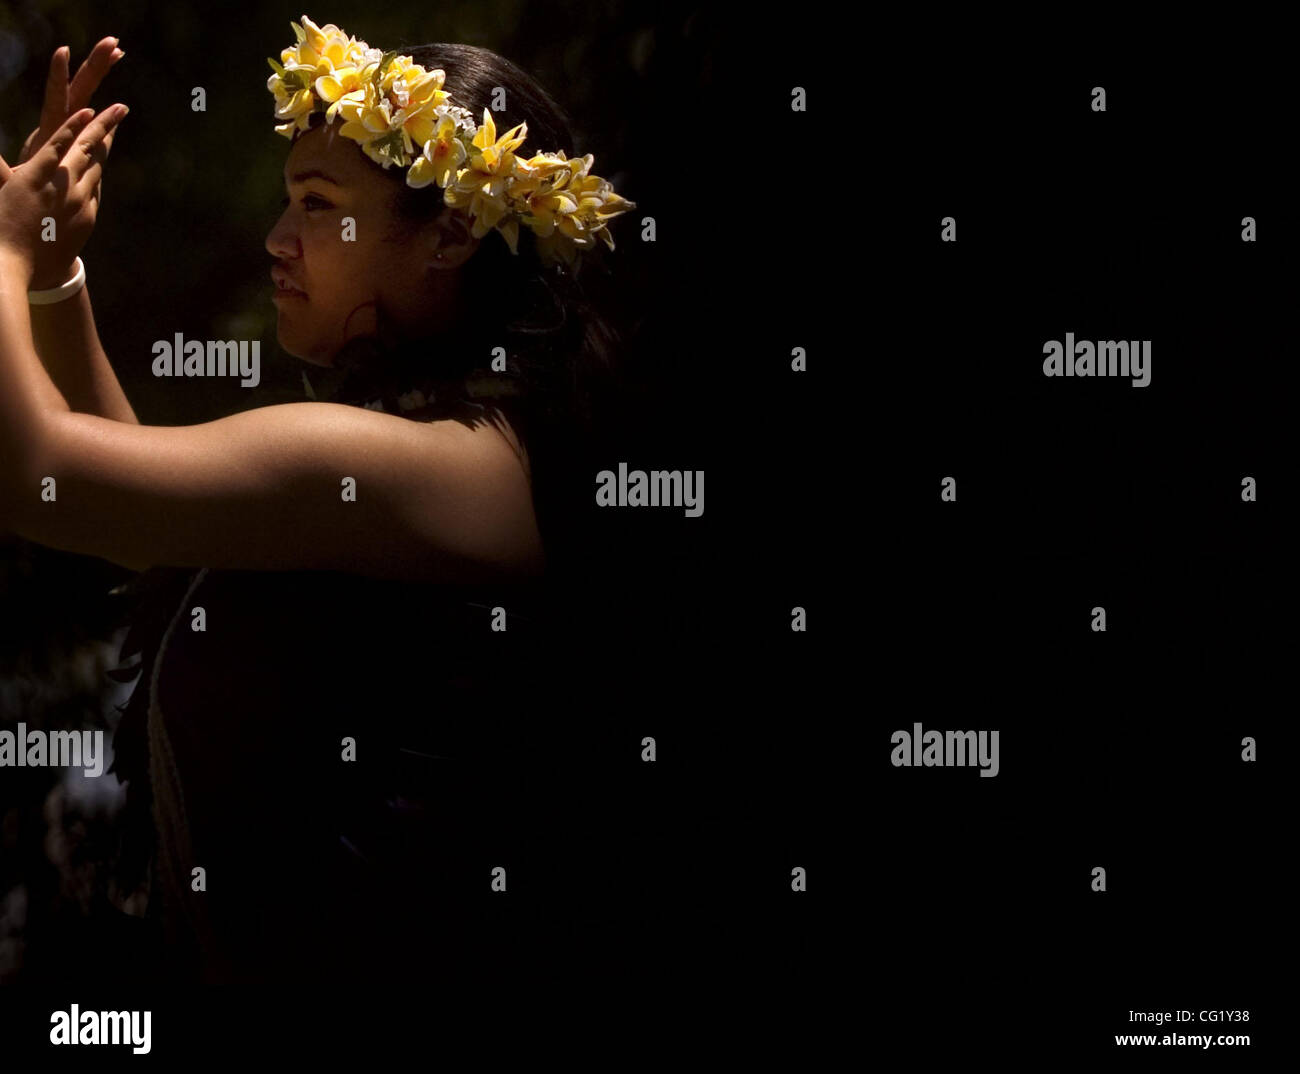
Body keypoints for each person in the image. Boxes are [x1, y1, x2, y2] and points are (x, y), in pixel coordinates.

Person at [0, 20, 636, 982]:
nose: (276, 238)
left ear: (454, 233)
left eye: (317, 203)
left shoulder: (439, 464)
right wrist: (51, 273)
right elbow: (145, 516)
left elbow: (39, 477)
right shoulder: (460, 450)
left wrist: (1, 251)